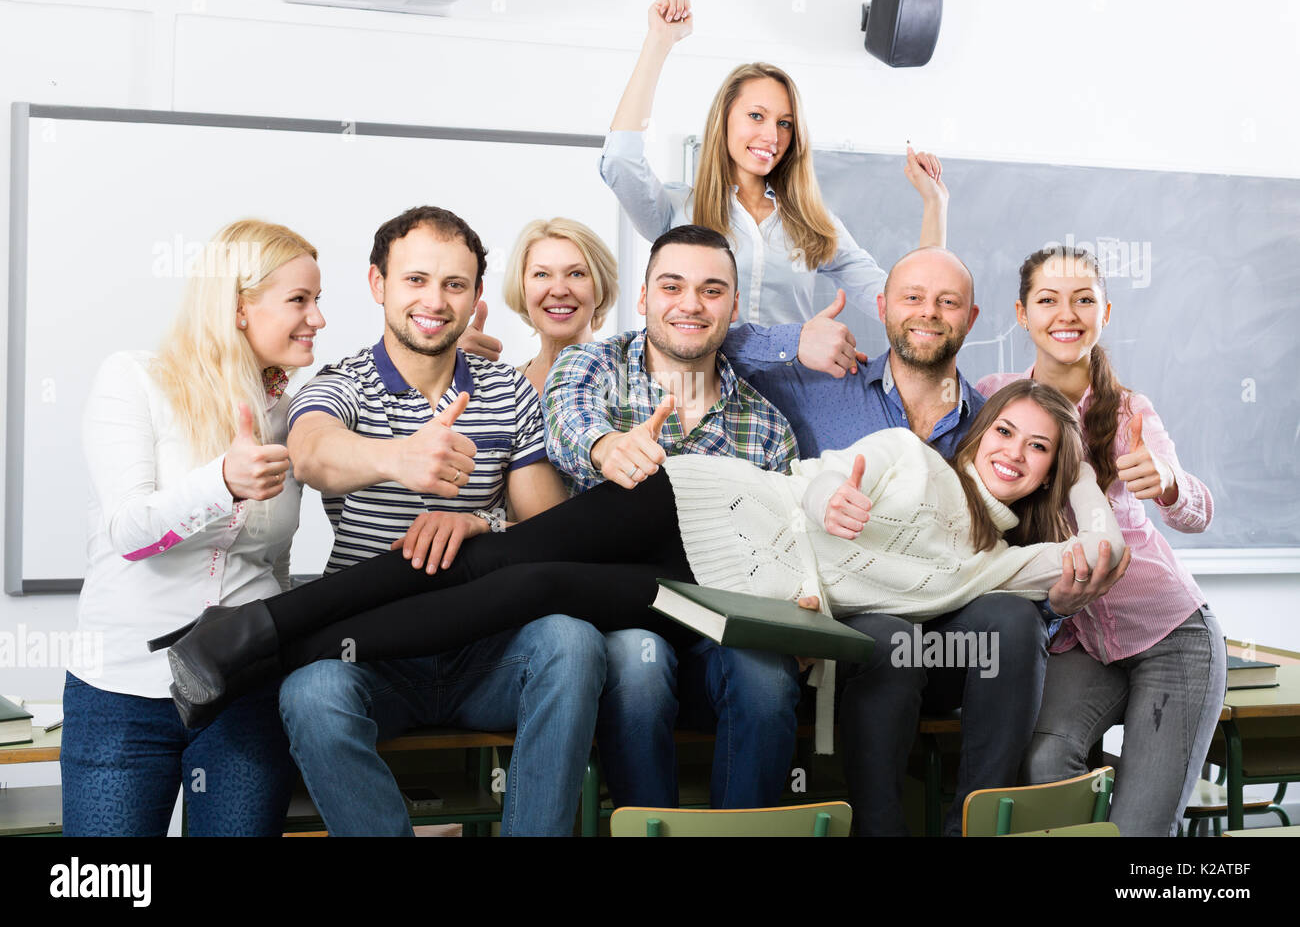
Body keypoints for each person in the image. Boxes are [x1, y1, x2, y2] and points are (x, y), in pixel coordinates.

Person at [156, 381, 1127, 799]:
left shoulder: (991, 563)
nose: (1013, 453)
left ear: (1046, 475)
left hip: (724, 590)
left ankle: (251, 645)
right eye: (1004, 433)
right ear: (975, 435)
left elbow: (1101, 551)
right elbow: (845, 472)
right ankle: (259, 633)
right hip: (702, 500)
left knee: (533, 585)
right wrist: (838, 503)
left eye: (1036, 450)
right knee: (508, 563)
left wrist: (1081, 468)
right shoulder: (912, 454)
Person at [722, 245, 1132, 835]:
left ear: (972, 317)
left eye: (948, 302)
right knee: (892, 638)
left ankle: (974, 826)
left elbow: (1038, 568)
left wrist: (1081, 486)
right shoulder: (821, 388)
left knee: (1010, 620)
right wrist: (790, 342)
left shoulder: (990, 426)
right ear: (883, 305)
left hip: (950, 650)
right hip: (851, 634)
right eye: (913, 297)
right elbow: (700, 341)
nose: (929, 312)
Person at [260, 205, 605, 837]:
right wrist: (400, 458)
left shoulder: (509, 393)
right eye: (415, 280)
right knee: (310, 695)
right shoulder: (343, 384)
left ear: (476, 295)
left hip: (484, 651)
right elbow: (311, 453)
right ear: (378, 286)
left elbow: (548, 535)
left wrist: (484, 528)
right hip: (369, 654)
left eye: (454, 284)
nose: (435, 300)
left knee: (573, 642)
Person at [62, 219, 324, 835]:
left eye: (318, 300)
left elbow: (273, 563)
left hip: (243, 689)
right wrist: (220, 481)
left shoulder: (293, 416)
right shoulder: (134, 380)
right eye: (300, 300)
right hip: (122, 689)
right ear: (239, 307)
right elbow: (130, 533)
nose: (317, 318)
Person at [544, 224, 800, 810]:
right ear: (643, 297)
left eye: (712, 290)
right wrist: (609, 447)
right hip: (622, 618)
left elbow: (781, 547)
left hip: (722, 629)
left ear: (734, 306)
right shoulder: (593, 365)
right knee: (639, 664)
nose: (690, 304)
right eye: (672, 286)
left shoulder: (767, 426)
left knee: (767, 675)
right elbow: (568, 425)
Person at [977, 244, 1227, 836]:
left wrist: (1168, 485)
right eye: (1048, 300)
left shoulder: (1128, 412)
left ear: (1105, 312)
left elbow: (1197, 514)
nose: (1066, 314)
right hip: (1079, 639)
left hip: (1173, 636)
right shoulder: (997, 395)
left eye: (1083, 300)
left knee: (1141, 831)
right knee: (1043, 762)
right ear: (1021, 313)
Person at [602, 0, 949, 336]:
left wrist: (935, 204)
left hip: (788, 390)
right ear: (723, 120)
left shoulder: (813, 224)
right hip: (702, 387)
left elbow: (904, 305)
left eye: (784, 123)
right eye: (756, 116)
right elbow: (621, 160)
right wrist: (659, 42)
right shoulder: (677, 212)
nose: (772, 136)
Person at [500, 217, 620, 395]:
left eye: (576, 274)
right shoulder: (504, 387)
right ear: (521, 285)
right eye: (541, 274)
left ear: (599, 284)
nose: (558, 290)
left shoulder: (628, 384)